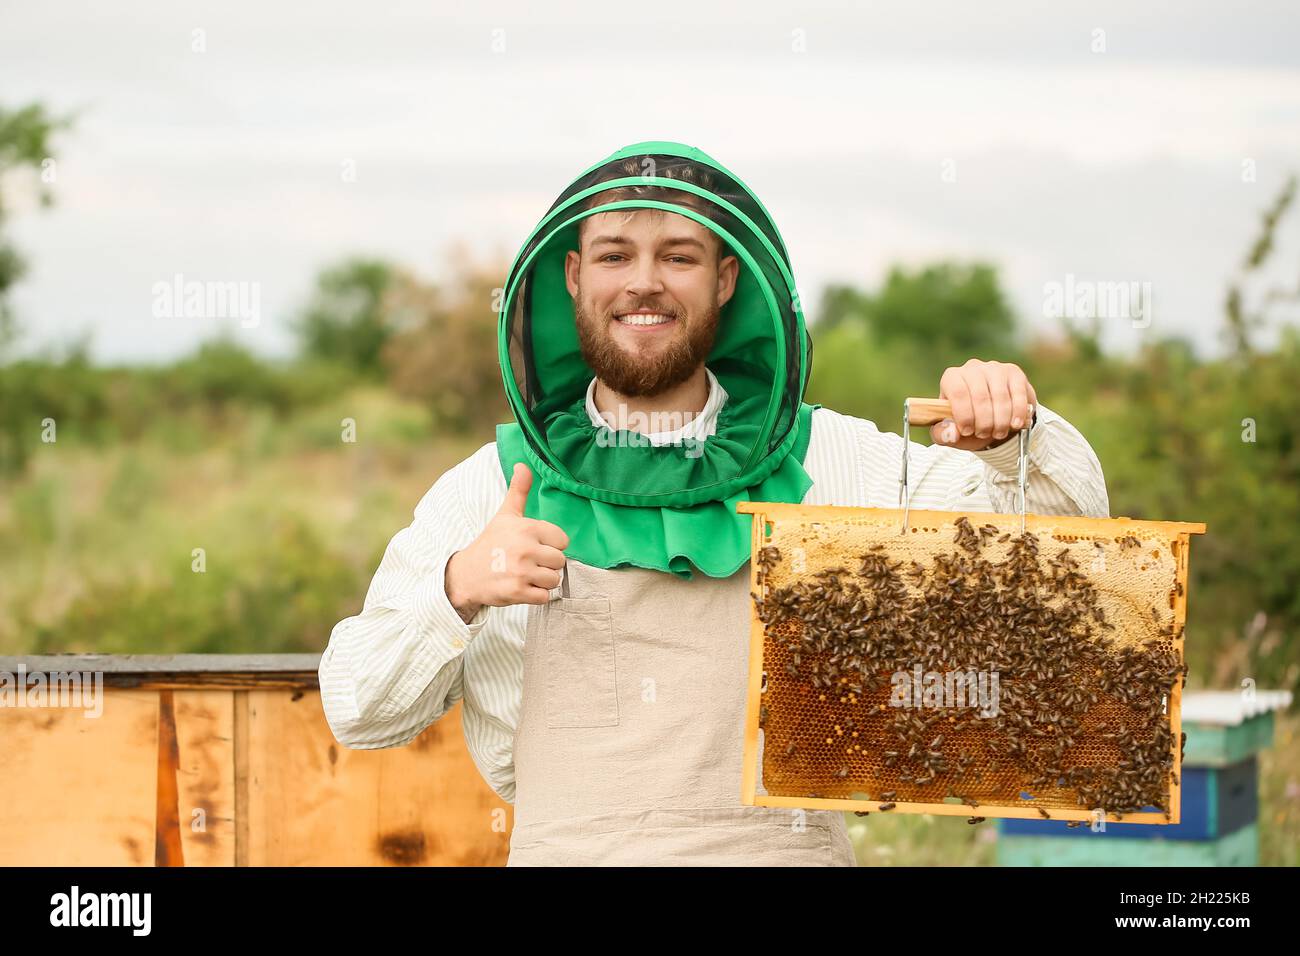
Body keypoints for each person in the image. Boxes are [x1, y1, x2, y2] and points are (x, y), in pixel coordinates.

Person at [318, 141, 1110, 866]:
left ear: (727, 280)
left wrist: (1015, 436)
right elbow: (356, 707)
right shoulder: (493, 487)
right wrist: (458, 588)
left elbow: (1073, 567)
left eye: (680, 255)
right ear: (572, 277)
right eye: (615, 254)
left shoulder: (830, 460)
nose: (643, 281)